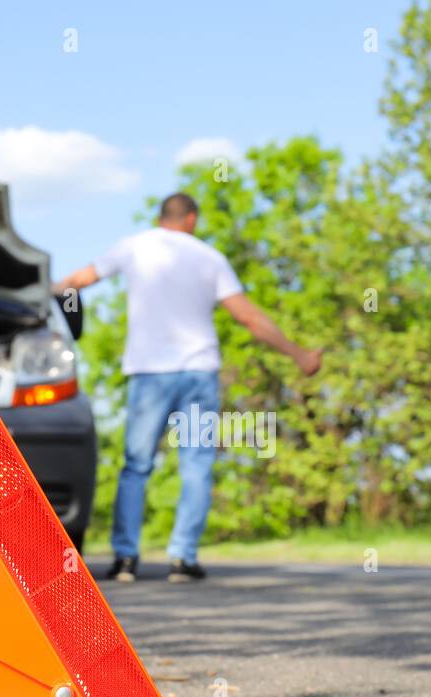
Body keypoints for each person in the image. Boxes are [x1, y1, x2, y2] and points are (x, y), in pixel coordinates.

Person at [54, 192, 321, 582]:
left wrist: (48, 301)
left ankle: (126, 559)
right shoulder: (210, 258)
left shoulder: (134, 246)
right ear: (191, 219)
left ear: (162, 217)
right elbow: (248, 317)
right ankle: (182, 560)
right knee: (195, 464)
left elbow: (76, 282)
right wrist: (299, 354)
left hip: (149, 374)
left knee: (136, 466)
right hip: (198, 373)